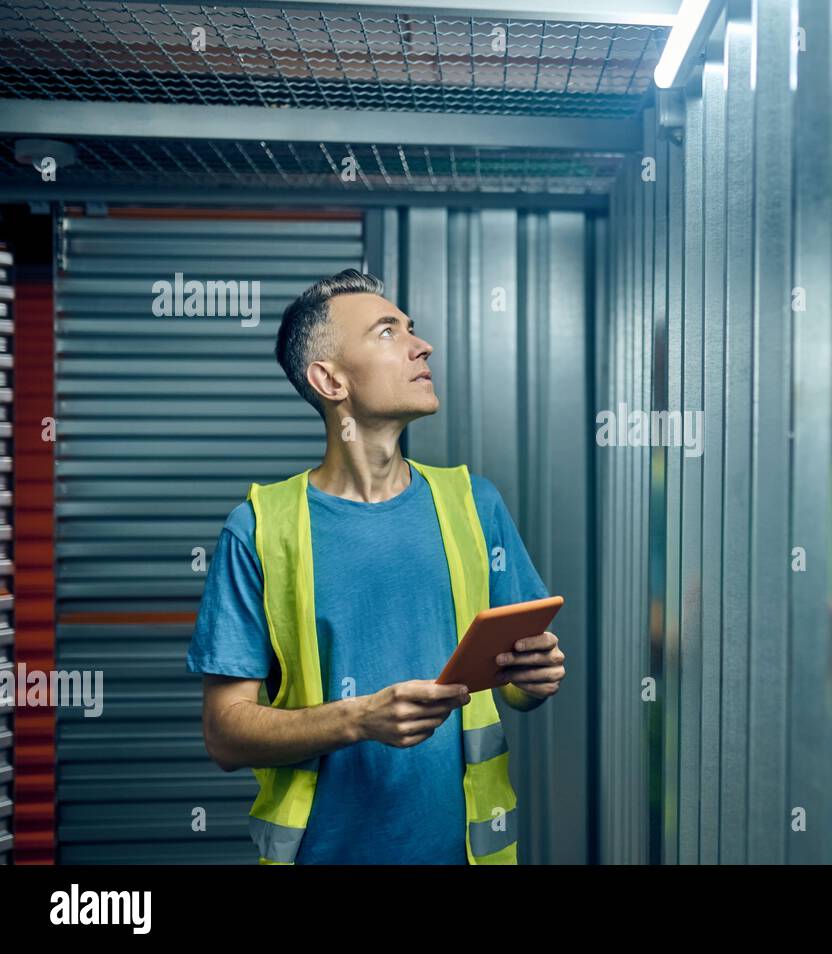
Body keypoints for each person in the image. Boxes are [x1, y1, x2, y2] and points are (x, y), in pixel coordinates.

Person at [186, 268, 565, 865]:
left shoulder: (474, 504)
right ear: (329, 378)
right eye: (388, 332)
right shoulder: (260, 529)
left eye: (411, 328)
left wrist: (535, 679)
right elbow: (225, 735)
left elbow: (517, 686)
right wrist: (360, 718)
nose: (422, 345)